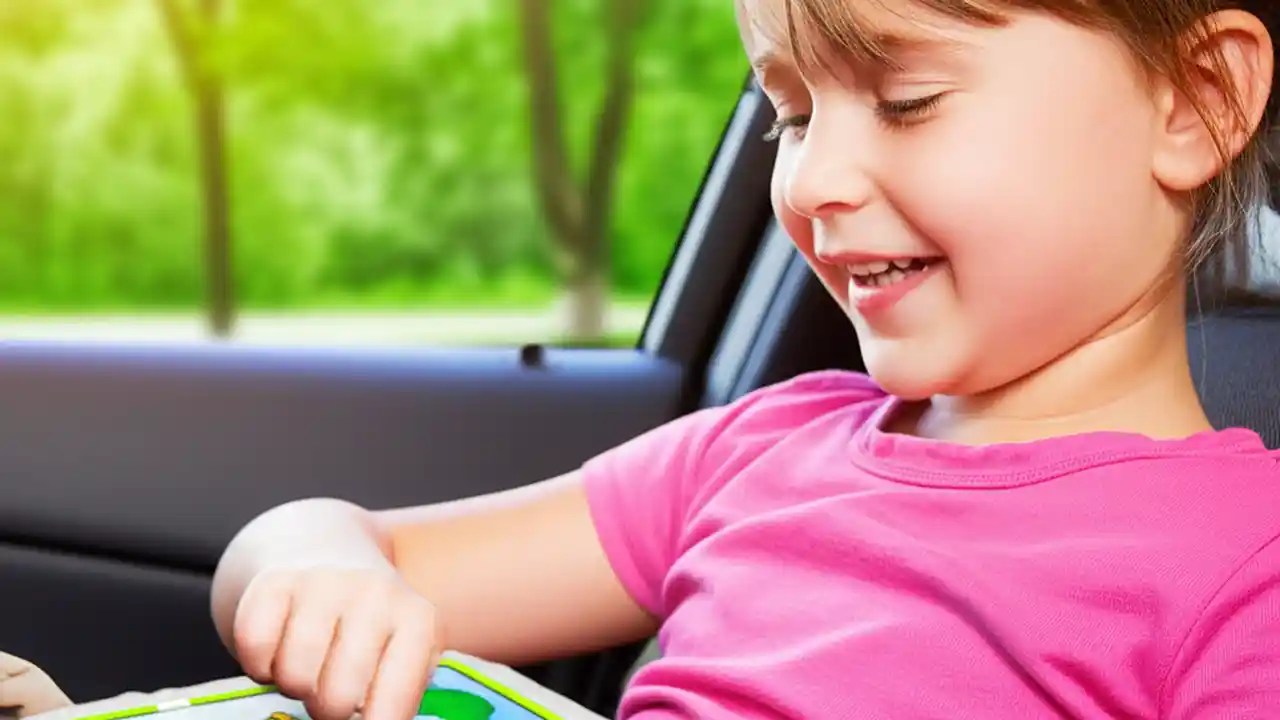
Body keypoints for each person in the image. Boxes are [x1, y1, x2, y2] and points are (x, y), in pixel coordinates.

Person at [211, 1, 1280, 718]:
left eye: (905, 100)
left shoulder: (1250, 573)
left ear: (1195, 101)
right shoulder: (761, 451)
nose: (810, 181)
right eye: (792, 117)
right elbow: (318, 541)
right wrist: (327, 576)